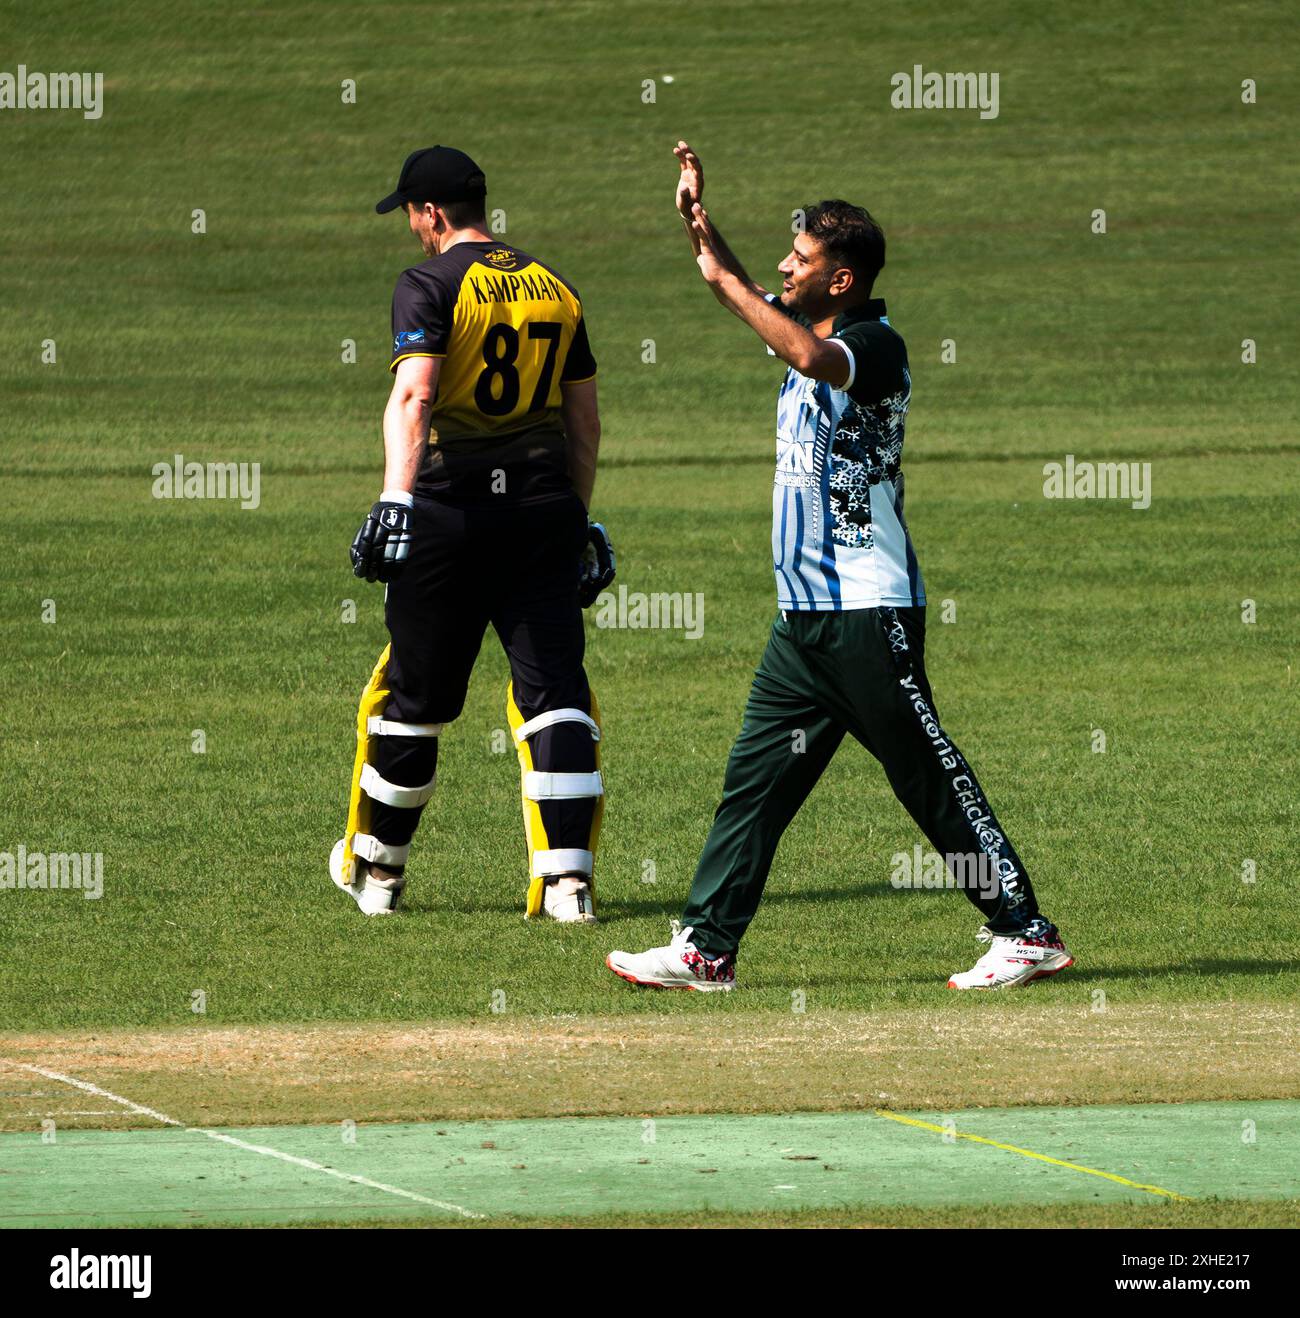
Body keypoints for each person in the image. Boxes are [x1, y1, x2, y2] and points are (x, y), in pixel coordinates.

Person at [606, 142, 1072, 989]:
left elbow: (810, 356)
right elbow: (773, 322)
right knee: (754, 786)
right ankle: (707, 949)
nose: (787, 267)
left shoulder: (871, 347)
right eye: (787, 254)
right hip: (803, 622)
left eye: (803, 259)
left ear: (843, 280)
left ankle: (1025, 930)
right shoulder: (805, 327)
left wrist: (730, 284)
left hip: (867, 610)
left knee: (925, 778)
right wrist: (702, 235)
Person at [331, 145, 614, 923]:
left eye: (411, 216)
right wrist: (578, 517)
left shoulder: (427, 283)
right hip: (541, 511)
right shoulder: (555, 286)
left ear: (429, 213)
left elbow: (414, 397)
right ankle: (568, 887)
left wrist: (395, 501)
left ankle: (381, 877)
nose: (412, 231)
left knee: (414, 696)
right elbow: (583, 419)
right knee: (554, 695)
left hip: (449, 516)